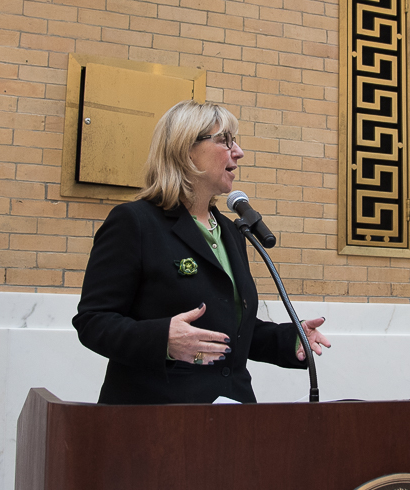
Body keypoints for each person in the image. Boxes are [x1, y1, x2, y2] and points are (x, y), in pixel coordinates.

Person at [73, 100, 330, 404]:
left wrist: (288, 339)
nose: (238, 152)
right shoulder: (135, 223)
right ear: (186, 150)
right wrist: (163, 340)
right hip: (154, 421)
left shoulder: (232, 232)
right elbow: (94, 321)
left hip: (230, 417)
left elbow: (227, 329)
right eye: (225, 140)